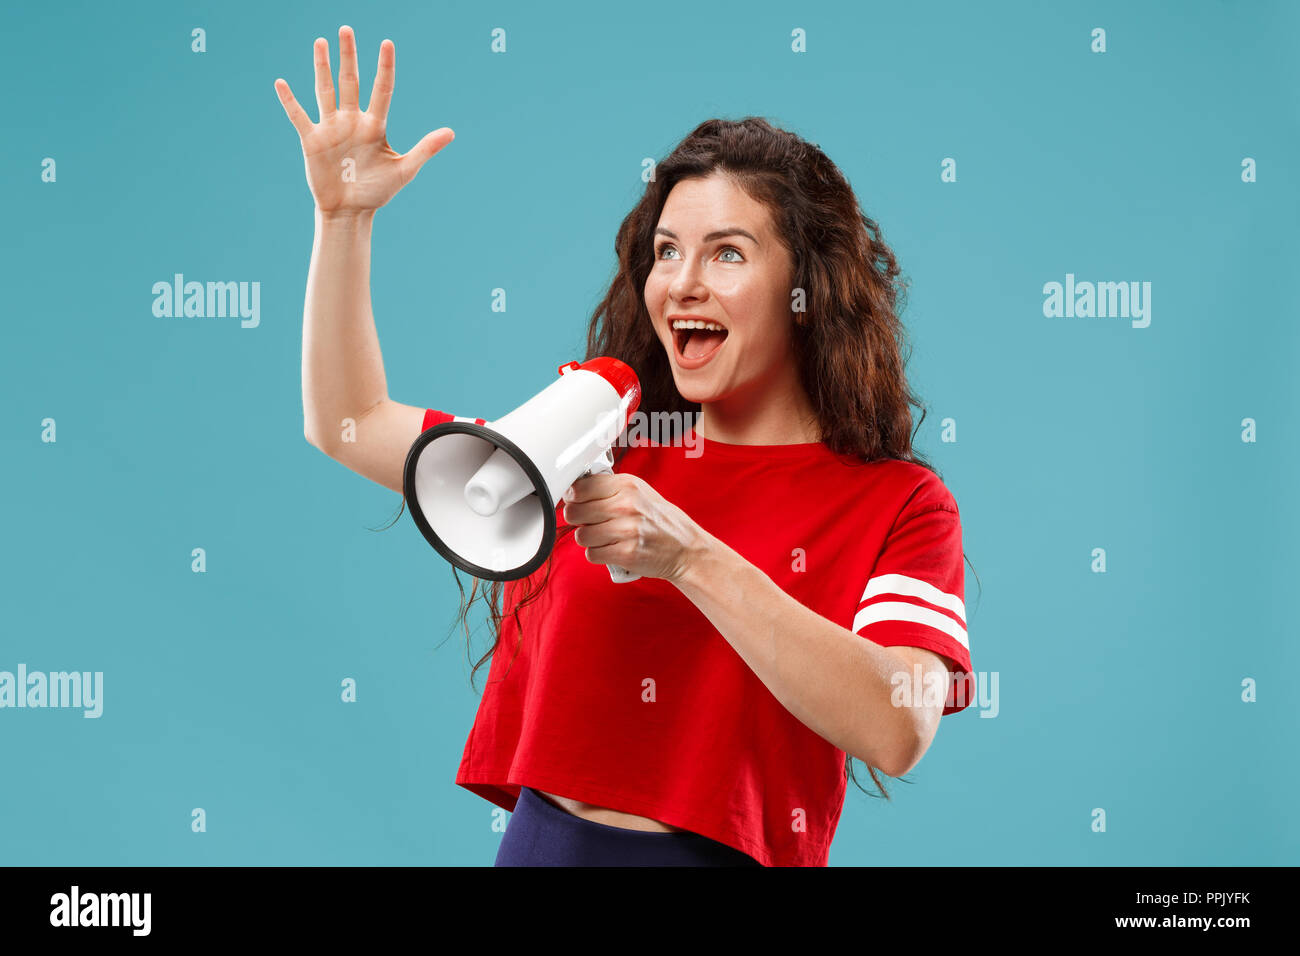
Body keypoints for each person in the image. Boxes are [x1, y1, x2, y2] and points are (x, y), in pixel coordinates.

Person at [281, 26, 976, 867]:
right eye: (667, 252)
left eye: (728, 252)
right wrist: (342, 218)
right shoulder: (606, 441)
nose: (683, 281)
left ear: (805, 289)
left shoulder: (897, 502)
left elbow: (899, 727)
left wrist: (689, 557)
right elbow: (347, 419)